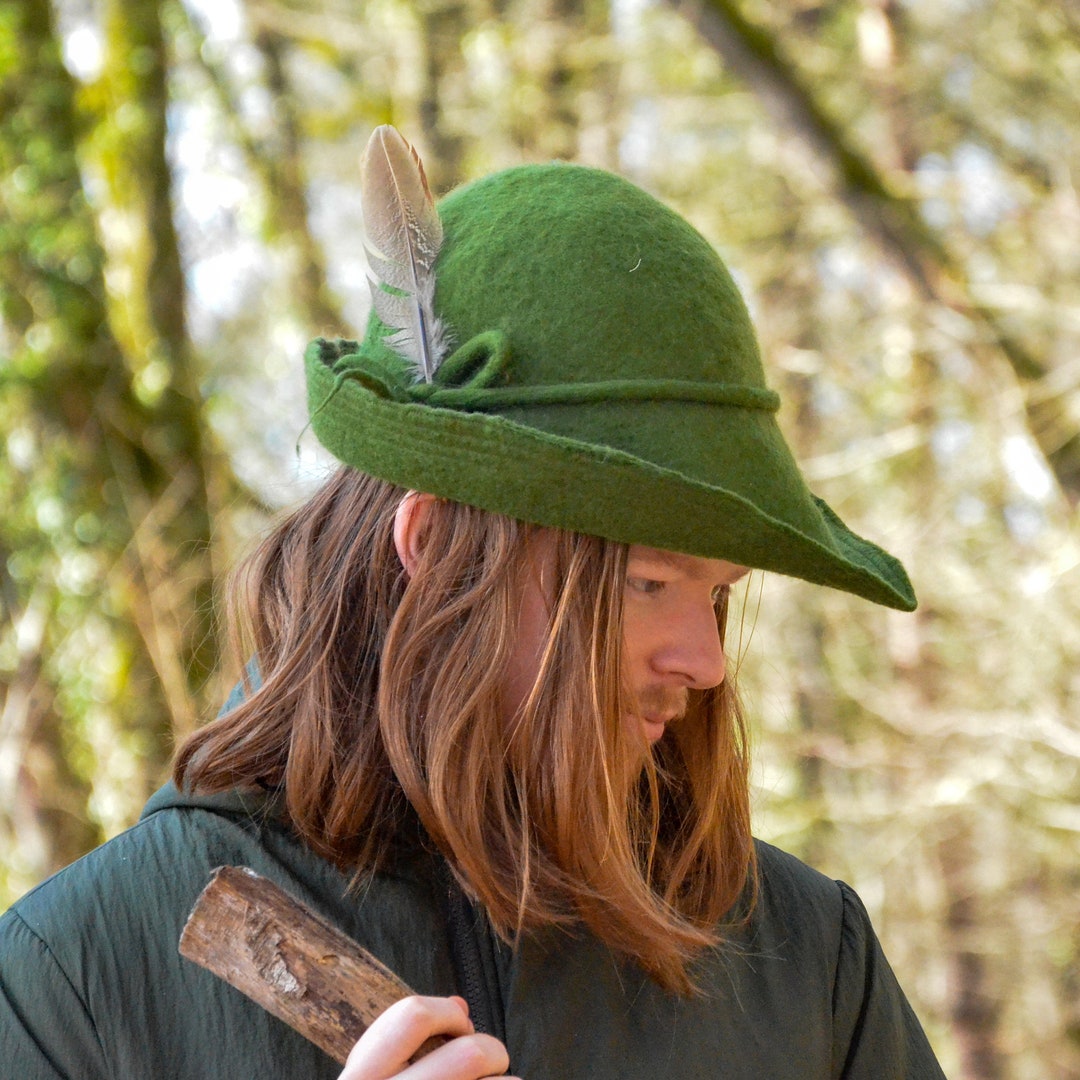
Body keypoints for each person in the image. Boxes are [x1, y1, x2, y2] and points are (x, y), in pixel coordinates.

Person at [0, 127, 945, 1079]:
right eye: (649, 583)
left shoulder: (809, 963)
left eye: (718, 594)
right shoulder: (73, 978)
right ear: (435, 548)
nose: (703, 661)